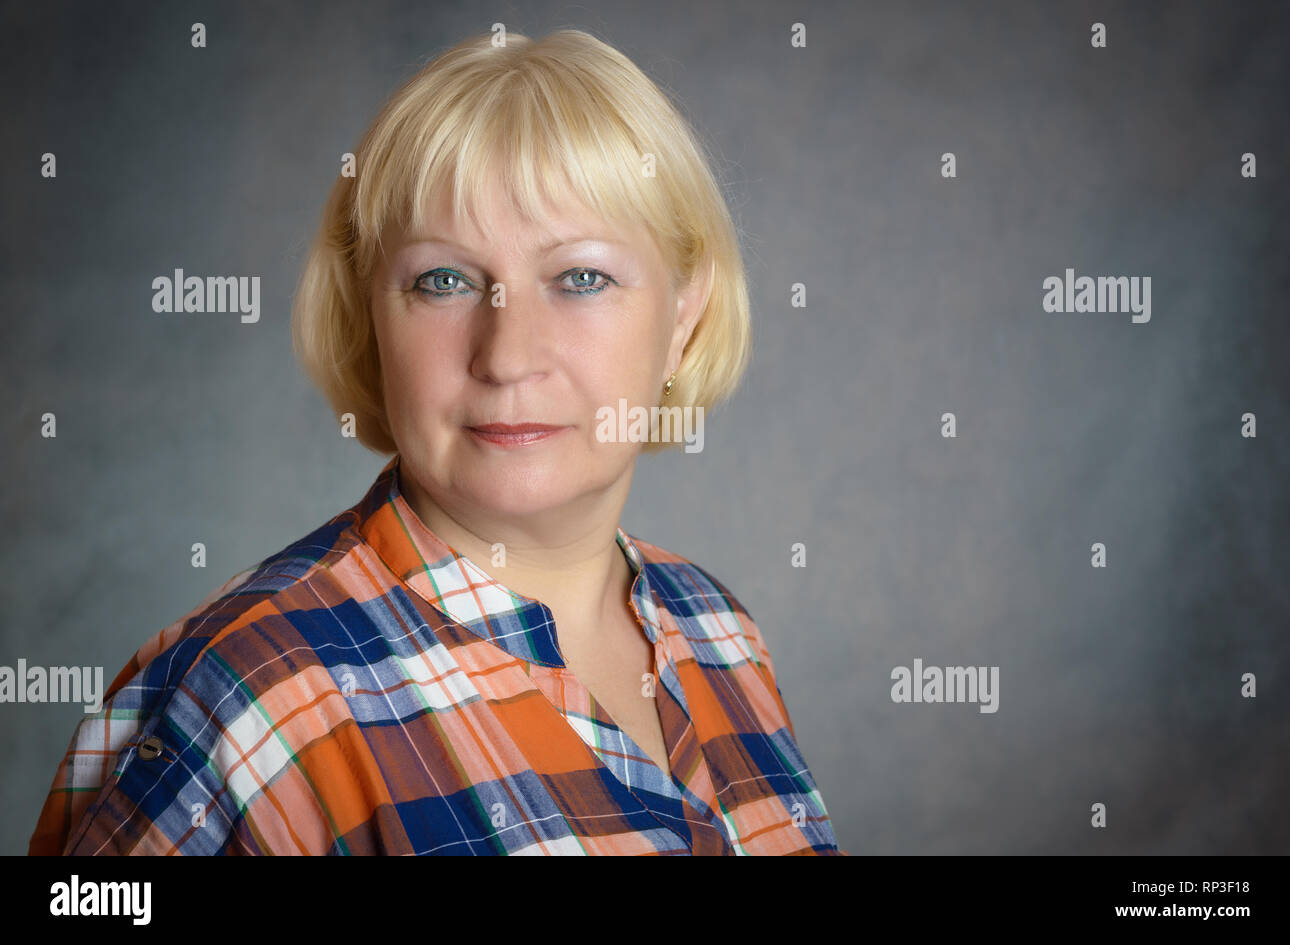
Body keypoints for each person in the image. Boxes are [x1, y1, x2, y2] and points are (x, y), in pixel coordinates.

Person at [28, 28, 844, 855]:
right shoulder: (253, 699)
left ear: (684, 316)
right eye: (443, 281)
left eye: (581, 278)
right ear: (368, 318)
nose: (508, 354)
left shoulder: (718, 629)